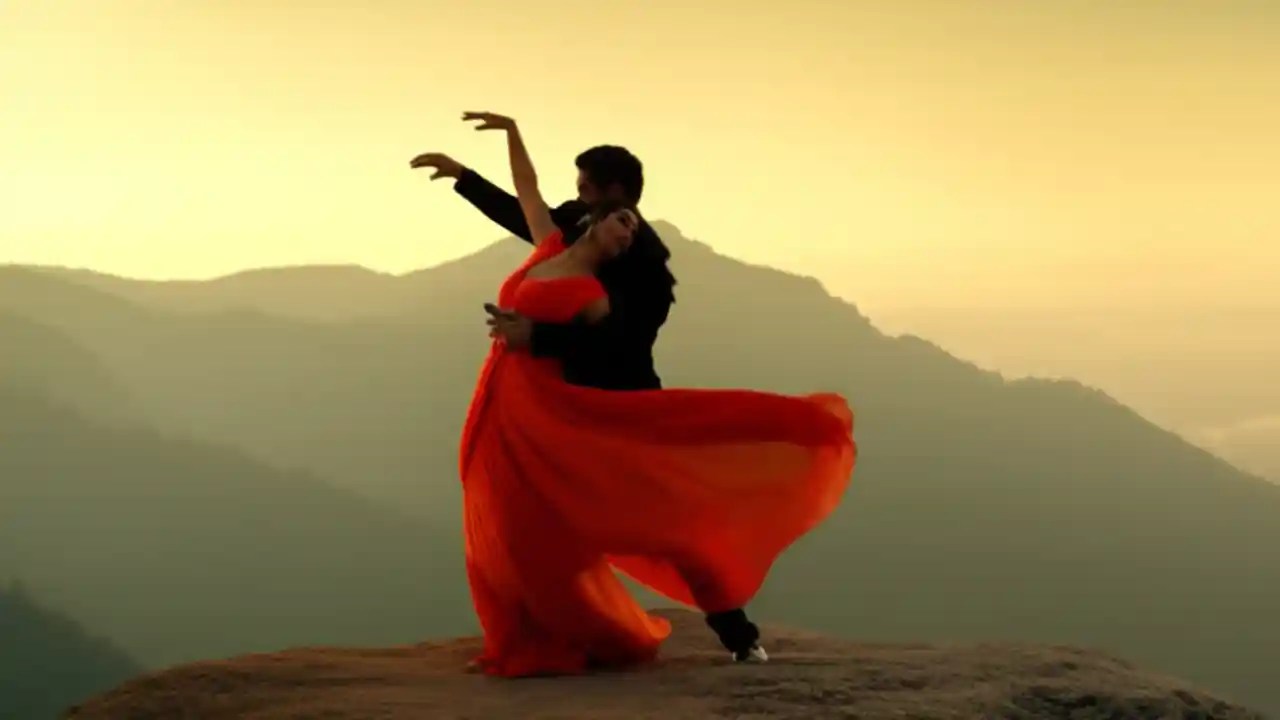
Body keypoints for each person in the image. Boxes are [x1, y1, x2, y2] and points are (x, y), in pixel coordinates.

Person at [412, 111, 856, 678]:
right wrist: (464, 176)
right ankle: (545, 632)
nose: (577, 201)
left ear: (615, 195)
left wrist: (538, 336)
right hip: (552, 408)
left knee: (675, 527)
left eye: (585, 190)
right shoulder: (576, 230)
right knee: (532, 523)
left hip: (619, 409)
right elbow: (529, 212)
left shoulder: (643, 268)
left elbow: (619, 343)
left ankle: (739, 636)